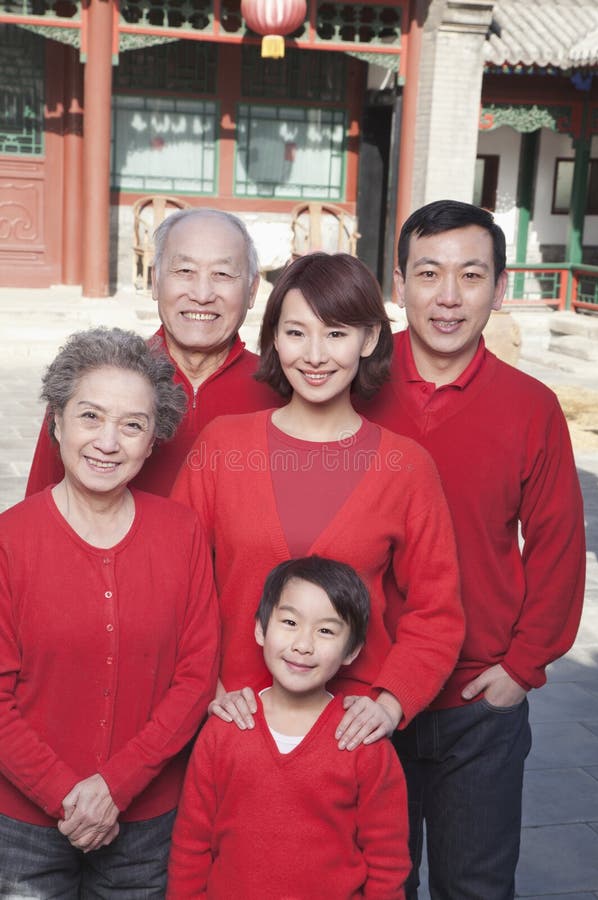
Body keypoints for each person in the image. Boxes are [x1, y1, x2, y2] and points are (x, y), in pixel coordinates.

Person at [357, 200, 586, 900]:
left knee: (476, 886)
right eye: (428, 273)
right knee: (370, 883)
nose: (448, 297)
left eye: (471, 275)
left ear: (500, 287)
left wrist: (522, 666)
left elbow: (558, 546)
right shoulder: (354, 383)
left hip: (476, 698)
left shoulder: (530, 405)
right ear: (399, 284)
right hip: (361, 689)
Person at [172, 251, 464, 754]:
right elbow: (174, 584)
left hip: (347, 742)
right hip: (232, 723)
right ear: (274, 338)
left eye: (336, 333)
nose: (314, 355)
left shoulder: (407, 467)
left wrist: (391, 703)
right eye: (296, 332)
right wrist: (205, 689)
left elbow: (436, 611)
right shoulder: (223, 446)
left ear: (369, 339)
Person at [0, 327, 220, 897]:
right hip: (21, 826)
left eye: (133, 425)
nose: (109, 441)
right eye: (91, 417)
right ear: (58, 423)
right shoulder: (9, 541)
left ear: (153, 441)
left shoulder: (182, 533)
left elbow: (196, 679)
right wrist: (68, 795)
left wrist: (115, 787)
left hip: (145, 824)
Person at [167, 555, 411, 899]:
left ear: (352, 651)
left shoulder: (363, 743)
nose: (303, 644)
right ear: (260, 629)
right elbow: (191, 848)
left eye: (325, 630)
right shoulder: (224, 730)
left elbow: (387, 865)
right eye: (290, 622)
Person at [25, 209, 279, 498]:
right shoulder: (92, 380)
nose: (202, 294)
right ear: (155, 280)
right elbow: (38, 515)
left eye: (222, 274)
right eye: (184, 271)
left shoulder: (281, 389)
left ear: (252, 289)